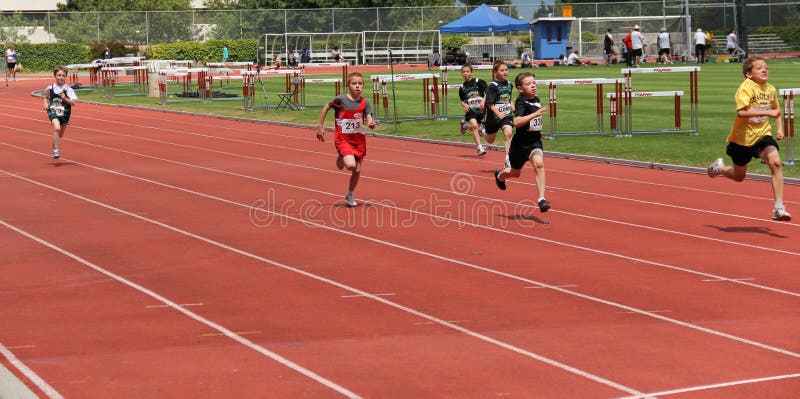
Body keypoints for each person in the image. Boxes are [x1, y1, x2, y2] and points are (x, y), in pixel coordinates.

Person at [707, 56, 791, 221]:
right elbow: (742, 113)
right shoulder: (745, 89)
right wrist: (767, 113)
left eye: (766, 67)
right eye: (759, 68)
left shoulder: (771, 89)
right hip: (742, 138)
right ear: (749, 74)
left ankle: (779, 208)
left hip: (762, 134)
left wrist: (780, 128)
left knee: (775, 162)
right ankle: (719, 168)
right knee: (739, 177)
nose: (764, 70)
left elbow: (777, 111)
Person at [316, 72, 376, 207]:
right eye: (354, 83)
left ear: (363, 86)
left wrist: (371, 123)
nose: (357, 86)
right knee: (350, 165)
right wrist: (320, 126)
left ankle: (350, 193)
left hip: (359, 140)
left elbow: (369, 117)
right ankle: (341, 155)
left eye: (360, 84)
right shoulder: (340, 99)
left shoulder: (365, 103)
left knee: (358, 170)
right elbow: (326, 107)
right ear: (348, 85)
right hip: (343, 138)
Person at [493, 71, 550, 213]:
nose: (533, 86)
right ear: (520, 88)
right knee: (514, 173)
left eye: (534, 83)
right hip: (520, 145)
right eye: (528, 84)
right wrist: (535, 114)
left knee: (539, 163)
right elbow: (517, 122)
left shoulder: (536, 99)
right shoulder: (521, 101)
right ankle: (500, 176)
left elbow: (534, 124)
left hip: (534, 142)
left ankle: (541, 199)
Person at [42, 65, 78, 159]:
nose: (61, 77)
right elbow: (45, 98)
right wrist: (45, 104)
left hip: (65, 113)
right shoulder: (50, 88)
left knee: (60, 134)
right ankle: (56, 150)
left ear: (66, 77)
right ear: (55, 76)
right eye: (59, 75)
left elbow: (73, 103)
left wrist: (64, 98)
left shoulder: (68, 89)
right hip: (53, 111)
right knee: (57, 128)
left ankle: (55, 143)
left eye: (63, 75)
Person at [484, 60, 515, 168]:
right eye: (502, 70)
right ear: (496, 72)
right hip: (493, 116)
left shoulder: (510, 84)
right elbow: (489, 103)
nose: (505, 72)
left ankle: (508, 159)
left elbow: (509, 99)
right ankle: (482, 131)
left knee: (508, 133)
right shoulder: (492, 85)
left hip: (506, 114)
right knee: (490, 140)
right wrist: (498, 113)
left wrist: (513, 106)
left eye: (506, 70)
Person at [458, 64, 488, 156]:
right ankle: (479, 148)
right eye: (463, 72)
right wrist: (465, 105)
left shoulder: (479, 82)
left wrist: (483, 101)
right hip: (470, 110)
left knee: (479, 129)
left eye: (467, 71)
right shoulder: (462, 87)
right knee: (475, 126)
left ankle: (465, 126)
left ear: (471, 72)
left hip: (481, 109)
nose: (465, 73)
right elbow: (462, 101)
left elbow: (488, 92)